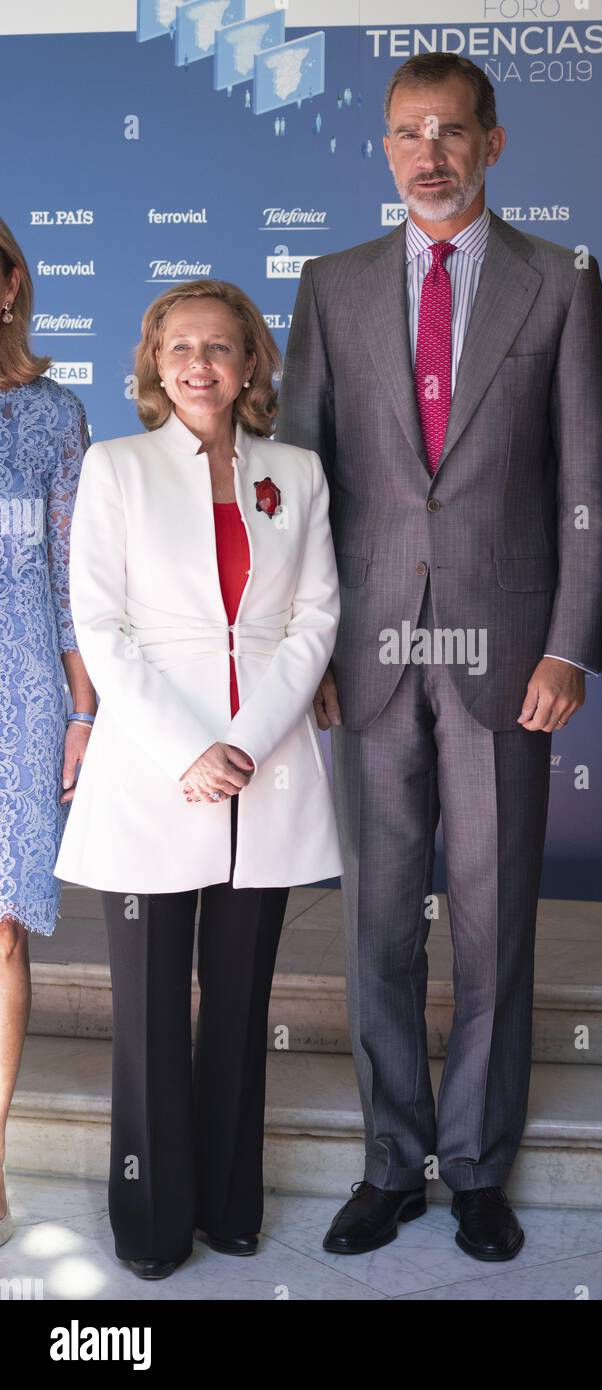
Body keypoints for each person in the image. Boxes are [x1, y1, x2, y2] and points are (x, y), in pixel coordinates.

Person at [278, 52, 602, 1261]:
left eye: (451, 131)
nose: (429, 152)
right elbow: (300, 487)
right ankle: (391, 1162)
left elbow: (589, 479)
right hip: (365, 655)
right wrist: (302, 649)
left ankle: (474, 1165)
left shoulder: (561, 281)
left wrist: (573, 643)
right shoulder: (331, 283)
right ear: (383, 148)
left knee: (491, 918)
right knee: (376, 922)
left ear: (492, 142)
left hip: (507, 655)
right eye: (406, 133)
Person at [54, 279, 342, 1278]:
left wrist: (251, 740)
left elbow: (315, 620)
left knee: (237, 1001)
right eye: (178, 347)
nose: (198, 364)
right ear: (153, 364)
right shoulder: (115, 469)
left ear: (251, 364)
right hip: (151, 775)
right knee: (144, 1017)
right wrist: (189, 747)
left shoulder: (296, 474)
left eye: (219, 347)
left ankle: (229, 1205)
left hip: (263, 776)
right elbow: (101, 622)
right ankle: (151, 1219)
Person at [0, 218, 94, 1248]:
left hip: (15, 690)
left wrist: (81, 712)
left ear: (11, 284)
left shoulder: (53, 417)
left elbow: (73, 584)